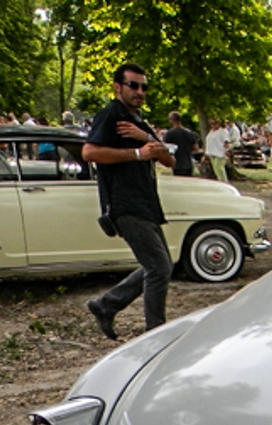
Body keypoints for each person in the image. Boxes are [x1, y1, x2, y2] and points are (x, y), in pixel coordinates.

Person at [81, 63, 175, 339]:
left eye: (144, 87)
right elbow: (89, 152)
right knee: (158, 267)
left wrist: (146, 138)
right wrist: (137, 154)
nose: (139, 91)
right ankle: (155, 335)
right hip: (125, 204)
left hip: (147, 205)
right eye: (133, 85)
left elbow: (169, 159)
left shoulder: (138, 122)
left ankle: (106, 305)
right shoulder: (111, 115)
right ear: (118, 87)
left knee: (161, 265)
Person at [164, 111, 200, 176]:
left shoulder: (169, 134)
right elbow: (196, 148)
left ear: (171, 120)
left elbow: (165, 149)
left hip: (176, 164)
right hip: (188, 164)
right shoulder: (189, 133)